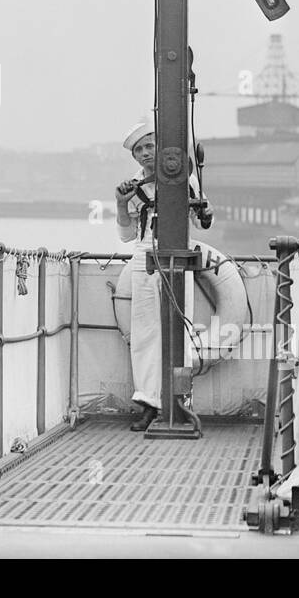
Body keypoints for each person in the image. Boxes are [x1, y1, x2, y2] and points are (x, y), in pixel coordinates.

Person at [115, 122, 163, 432]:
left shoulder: (186, 180)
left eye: (149, 145)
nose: (145, 153)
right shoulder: (132, 188)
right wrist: (121, 203)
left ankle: (175, 400)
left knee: (178, 329)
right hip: (144, 255)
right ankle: (148, 402)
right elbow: (126, 235)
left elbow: (201, 221)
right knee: (145, 332)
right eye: (139, 150)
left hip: (178, 252)